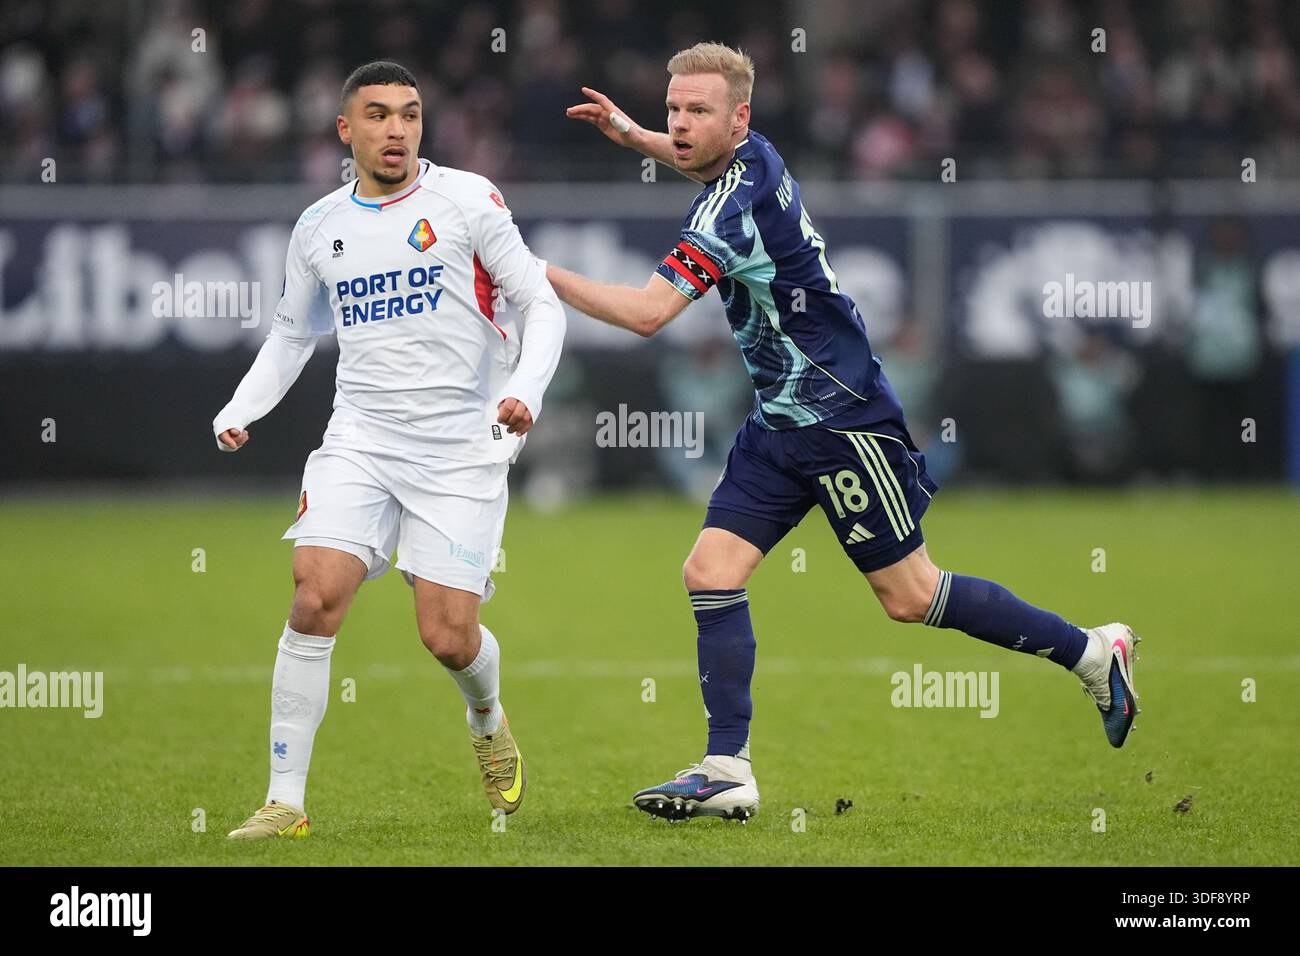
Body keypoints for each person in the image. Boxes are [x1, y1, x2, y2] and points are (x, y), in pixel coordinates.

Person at [546, 42, 1139, 823]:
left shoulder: (730, 209)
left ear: (740, 117)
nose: (681, 125)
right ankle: (727, 767)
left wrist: (530, 271)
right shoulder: (753, 157)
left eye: (697, 111)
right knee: (710, 571)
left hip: (842, 421)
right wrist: (637, 138)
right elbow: (699, 160)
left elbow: (646, 314)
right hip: (779, 422)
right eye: (673, 111)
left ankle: (1093, 652)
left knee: (911, 595)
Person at [213, 60, 565, 838]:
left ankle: (486, 716)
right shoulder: (318, 227)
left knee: (446, 636)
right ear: (347, 130)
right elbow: (293, 333)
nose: (396, 128)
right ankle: (285, 801)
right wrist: (243, 407)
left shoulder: (469, 201)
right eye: (377, 115)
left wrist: (527, 392)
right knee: (314, 595)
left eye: (409, 113)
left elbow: (540, 302)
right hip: (361, 441)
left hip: (462, 449)